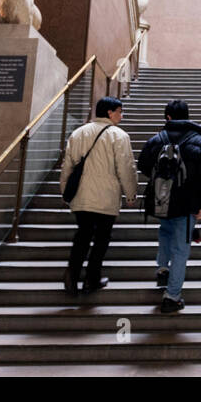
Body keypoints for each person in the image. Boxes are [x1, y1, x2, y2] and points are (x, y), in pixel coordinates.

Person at [138, 99, 201, 313]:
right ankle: (172, 297)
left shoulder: (157, 139)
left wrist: (164, 179)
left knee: (165, 230)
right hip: (188, 203)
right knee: (181, 249)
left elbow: (142, 164)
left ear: (168, 117)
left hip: (162, 199)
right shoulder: (200, 142)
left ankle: (163, 269)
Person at [60, 96, 136, 297]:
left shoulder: (78, 133)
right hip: (105, 197)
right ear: (110, 112)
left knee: (82, 236)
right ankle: (91, 280)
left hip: (81, 197)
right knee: (101, 239)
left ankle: (72, 275)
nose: (122, 115)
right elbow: (126, 168)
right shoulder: (119, 136)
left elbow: (67, 165)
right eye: (120, 111)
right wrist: (131, 193)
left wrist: (65, 191)